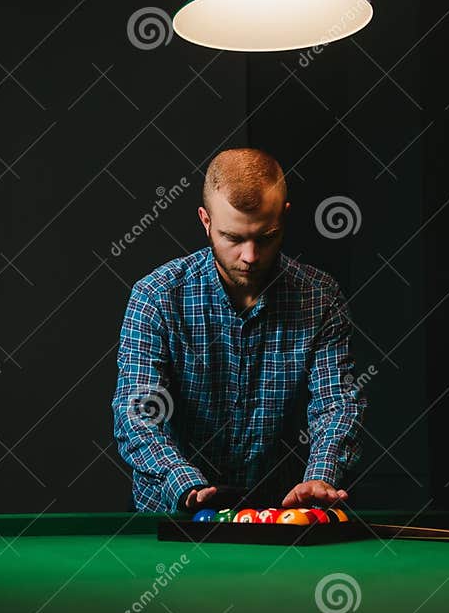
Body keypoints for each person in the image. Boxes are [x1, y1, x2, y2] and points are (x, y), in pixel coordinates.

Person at [112, 148, 366, 513]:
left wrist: (320, 476)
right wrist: (184, 484)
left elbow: (337, 403)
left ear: (285, 216)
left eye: (265, 237)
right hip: (176, 520)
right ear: (206, 222)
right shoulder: (155, 297)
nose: (249, 255)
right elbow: (137, 412)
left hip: (281, 515)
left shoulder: (320, 297)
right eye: (233, 238)